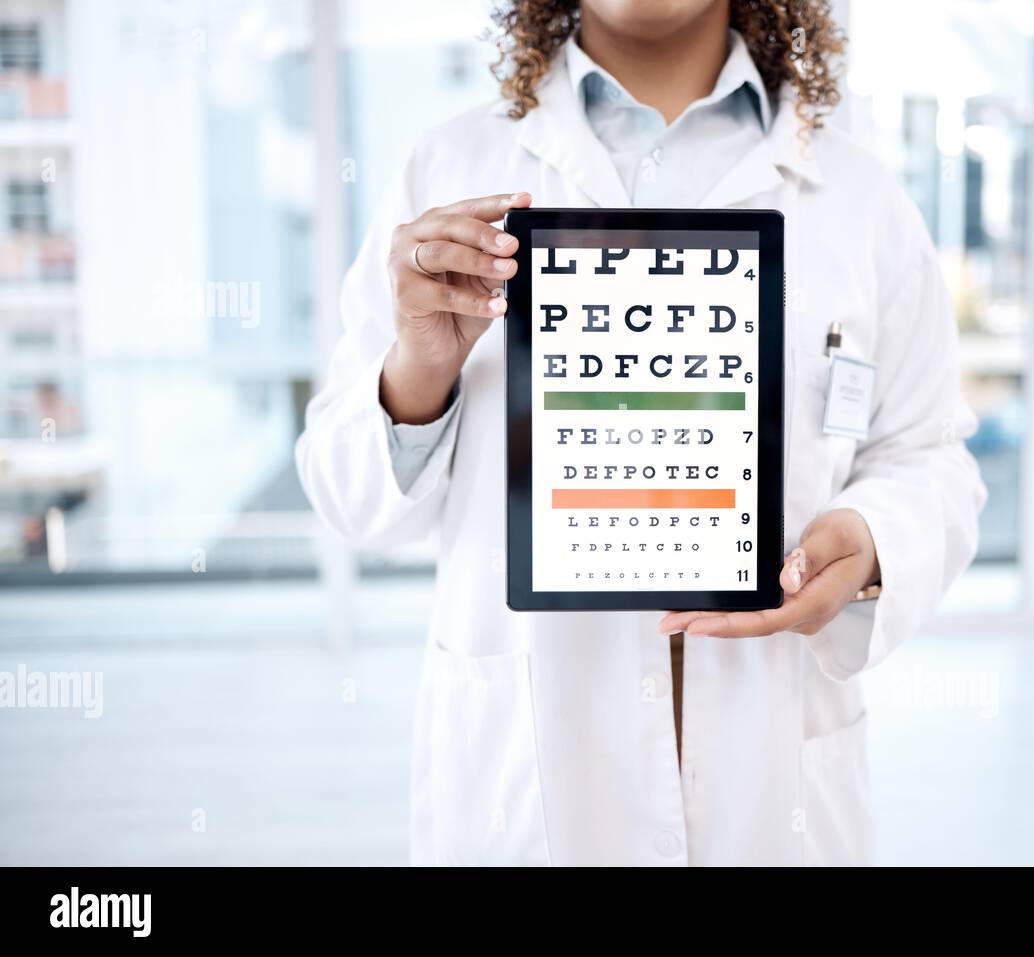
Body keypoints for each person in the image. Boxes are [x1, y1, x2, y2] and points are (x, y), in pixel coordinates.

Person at [296, 0, 986, 866]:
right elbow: (349, 495)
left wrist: (872, 538)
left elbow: (929, 456)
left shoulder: (859, 197)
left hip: (773, 802)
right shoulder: (449, 170)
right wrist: (420, 368)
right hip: (529, 805)